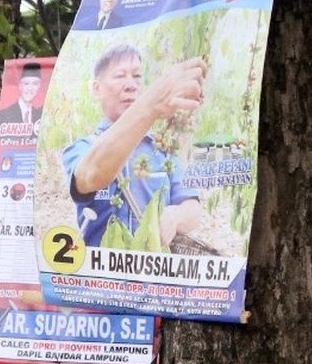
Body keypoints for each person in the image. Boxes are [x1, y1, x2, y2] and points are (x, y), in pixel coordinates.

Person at [62, 43, 207, 248]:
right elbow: (91, 176)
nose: (130, 85)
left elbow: (193, 207)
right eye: (120, 76)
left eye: (137, 76)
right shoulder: (82, 149)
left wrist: (175, 216)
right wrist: (150, 107)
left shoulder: (163, 149)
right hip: (100, 276)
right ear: (97, 88)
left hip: (152, 272)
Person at [0, 62, 44, 127]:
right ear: (20, 86)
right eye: (26, 83)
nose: (30, 88)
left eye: (35, 84)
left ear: (39, 87)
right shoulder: (5, 114)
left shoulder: (41, 117)